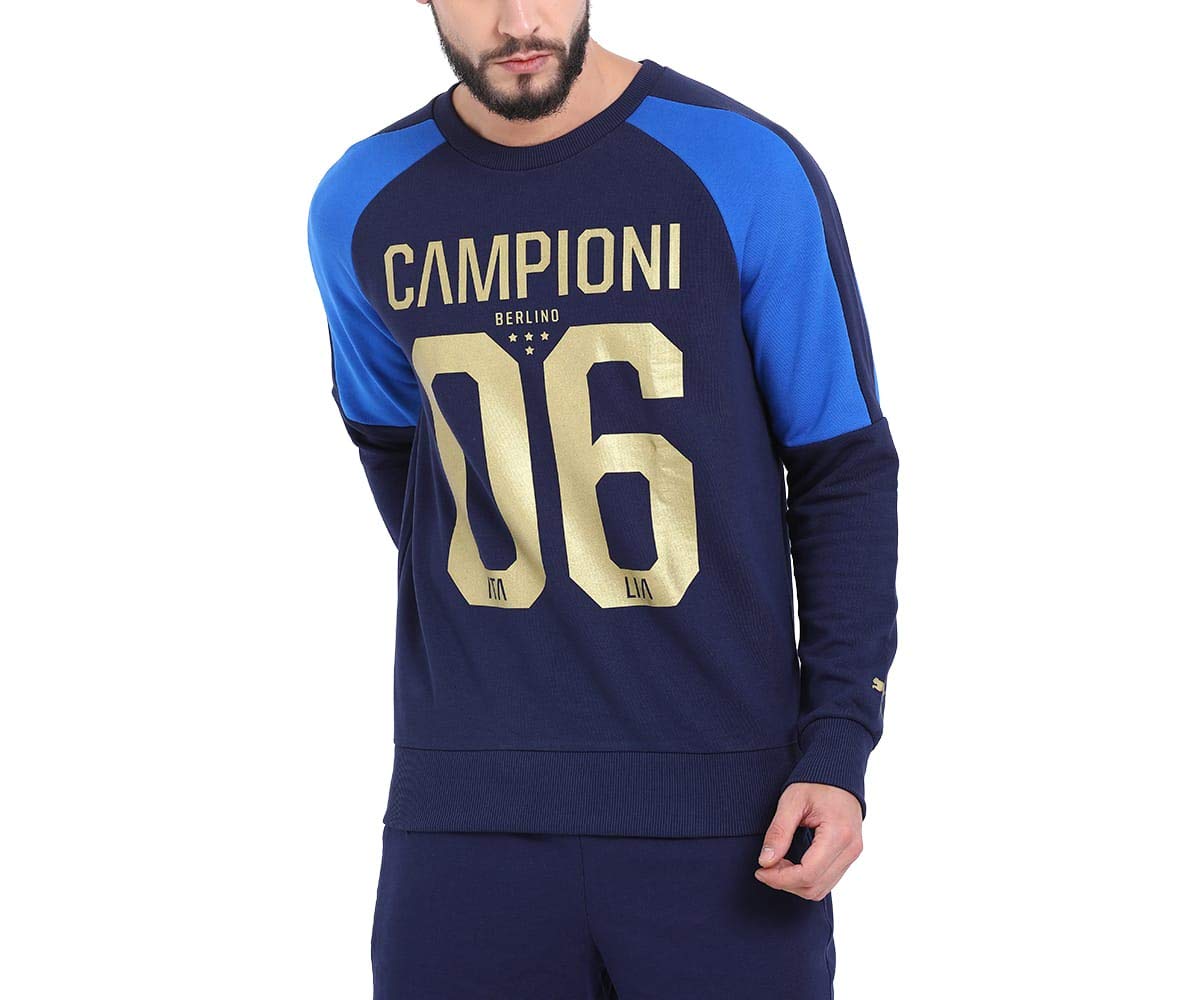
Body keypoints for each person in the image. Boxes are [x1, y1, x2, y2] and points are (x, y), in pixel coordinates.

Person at [306, 1, 899, 995]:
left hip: (729, 810)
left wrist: (839, 742)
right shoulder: (363, 201)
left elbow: (842, 469)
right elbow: (402, 460)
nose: (519, 19)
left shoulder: (740, 166)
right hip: (463, 816)